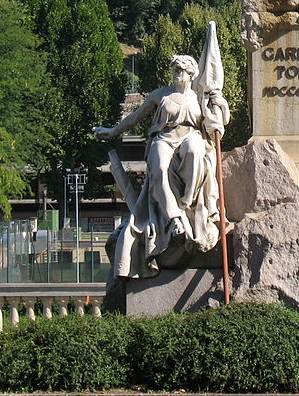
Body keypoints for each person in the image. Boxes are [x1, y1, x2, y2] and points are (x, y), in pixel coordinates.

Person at [96, 55, 228, 279]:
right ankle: (174, 217)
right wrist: (113, 131)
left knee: (196, 152)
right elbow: (135, 118)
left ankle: (187, 201)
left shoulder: (199, 96)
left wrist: (219, 103)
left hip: (190, 136)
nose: (177, 75)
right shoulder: (160, 94)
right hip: (164, 138)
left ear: (191, 74)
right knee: (158, 170)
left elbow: (217, 121)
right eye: (175, 70)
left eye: (181, 71)